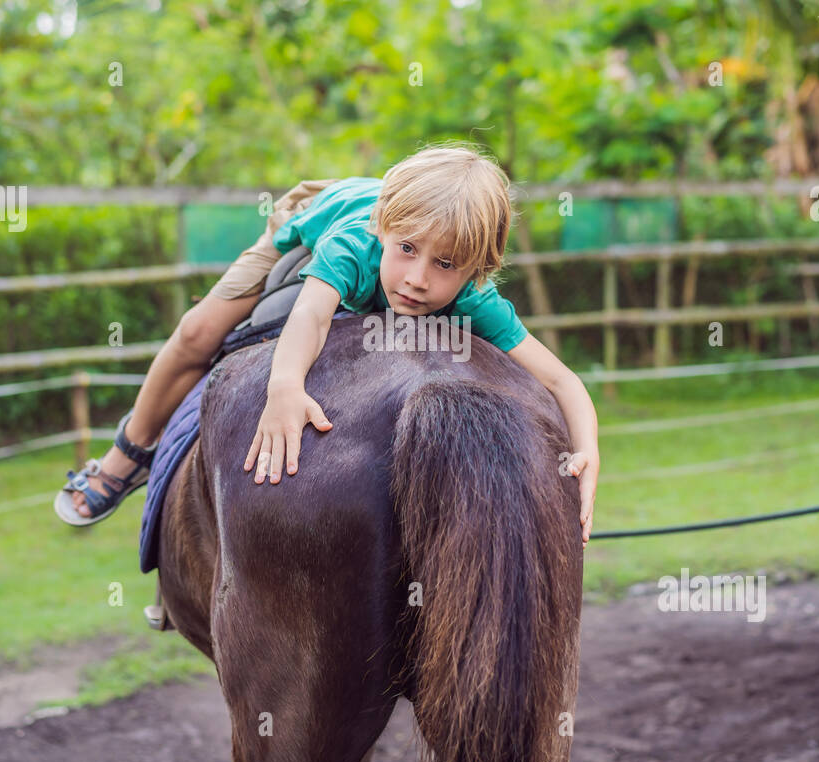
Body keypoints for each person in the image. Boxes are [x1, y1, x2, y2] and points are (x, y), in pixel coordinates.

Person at [55, 142, 599, 544]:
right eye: (407, 249)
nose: (417, 278)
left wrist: (587, 451)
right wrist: (285, 386)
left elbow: (560, 380)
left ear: (476, 269)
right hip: (308, 218)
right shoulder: (351, 249)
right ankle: (125, 456)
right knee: (198, 330)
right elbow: (312, 318)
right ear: (384, 232)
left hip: (386, 214)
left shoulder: (475, 299)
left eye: (446, 264)